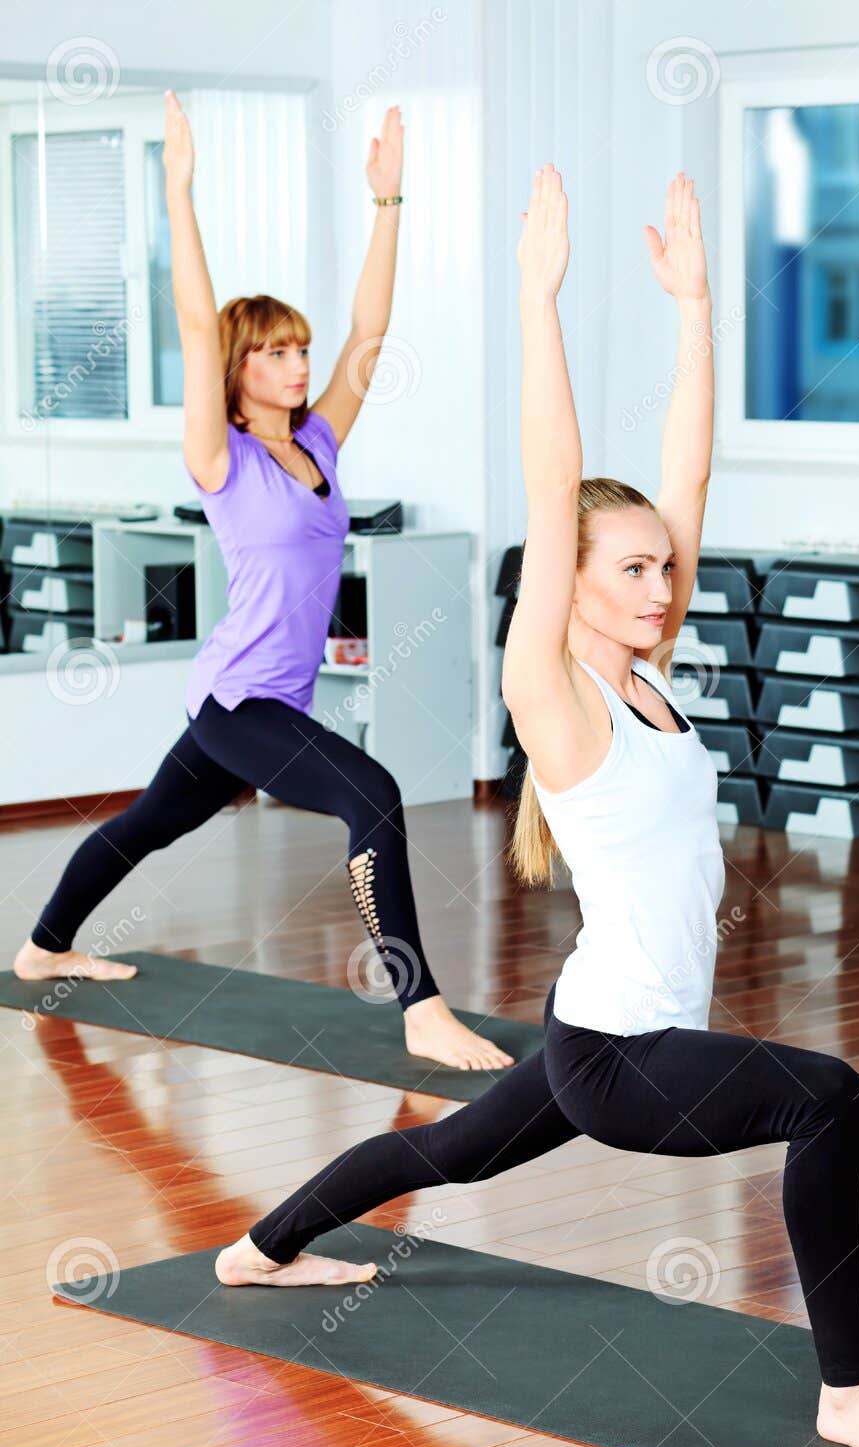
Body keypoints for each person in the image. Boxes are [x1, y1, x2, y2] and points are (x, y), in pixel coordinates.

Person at [213, 165, 859, 1447]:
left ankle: (256, 1246)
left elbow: (682, 471)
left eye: (663, 565)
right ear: (565, 584)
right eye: (628, 567)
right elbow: (552, 474)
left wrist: (692, 306)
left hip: (592, 1032)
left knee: (445, 1150)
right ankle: (845, 1389)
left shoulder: (643, 673)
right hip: (621, 1060)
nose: (659, 581)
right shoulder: (555, 698)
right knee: (830, 1099)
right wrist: (537, 301)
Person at [14, 90, 513, 1074]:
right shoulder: (221, 460)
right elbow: (197, 326)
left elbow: (371, 327)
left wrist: (388, 205)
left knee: (148, 824)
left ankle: (41, 947)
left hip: (256, 698)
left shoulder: (320, 438)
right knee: (371, 791)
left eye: (299, 350)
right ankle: (419, 1006)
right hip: (241, 697)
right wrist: (177, 192)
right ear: (240, 370)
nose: (298, 364)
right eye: (277, 353)